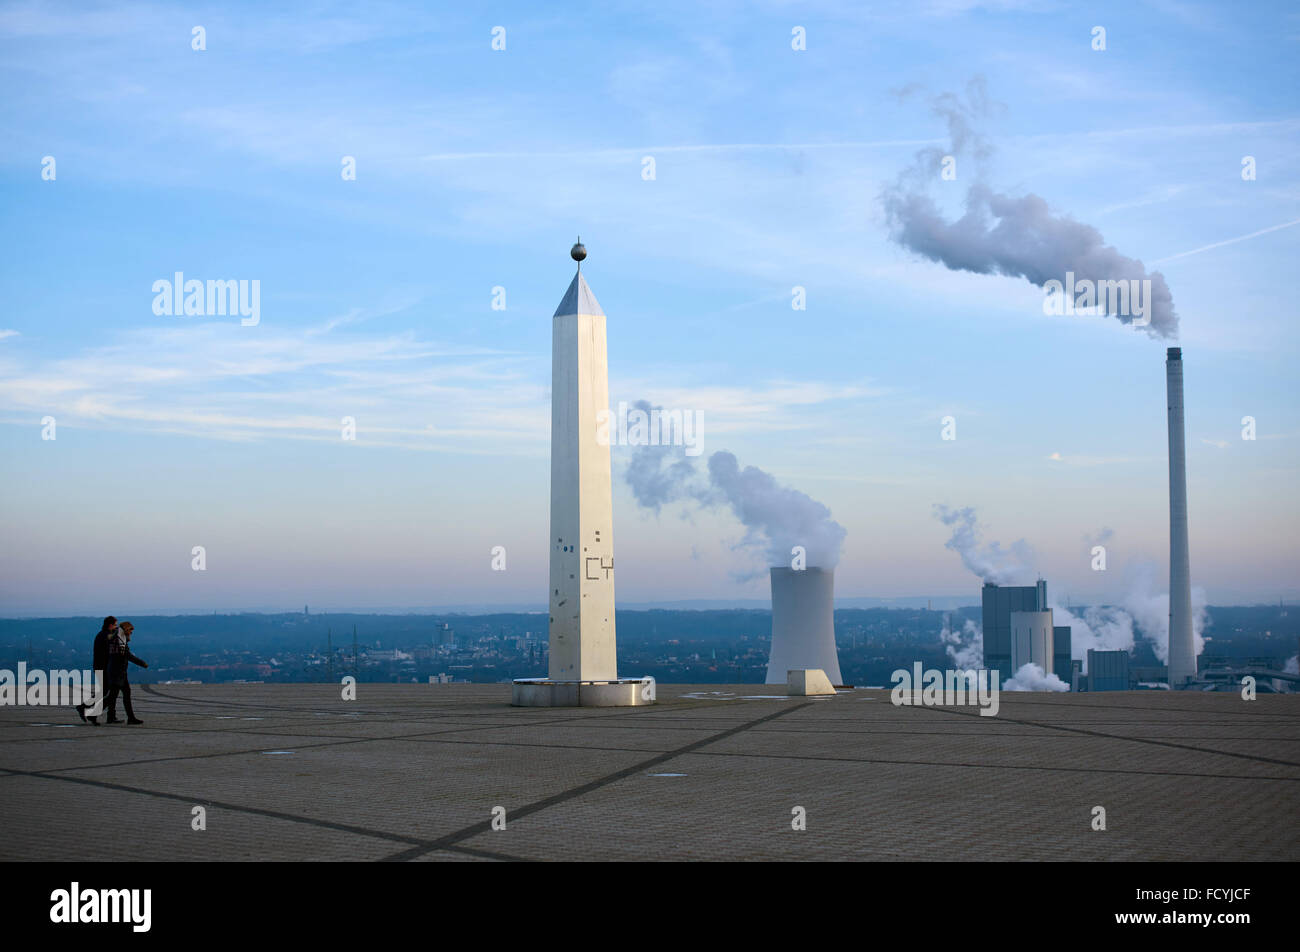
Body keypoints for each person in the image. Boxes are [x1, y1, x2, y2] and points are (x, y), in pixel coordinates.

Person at [103, 620, 148, 725]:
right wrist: (142, 663)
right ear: (126, 630)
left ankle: (123, 717)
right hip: (118, 672)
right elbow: (127, 655)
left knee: (119, 695)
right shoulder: (120, 641)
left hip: (118, 672)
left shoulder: (117, 638)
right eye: (130, 631)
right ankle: (91, 711)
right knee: (113, 696)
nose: (131, 633)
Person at [75, 616, 117, 726]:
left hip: (101, 666)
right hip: (102, 667)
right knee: (106, 691)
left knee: (104, 691)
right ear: (110, 625)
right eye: (115, 625)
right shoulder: (104, 636)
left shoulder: (102, 635)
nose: (116, 627)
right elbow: (107, 652)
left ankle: (88, 710)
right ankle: (84, 708)